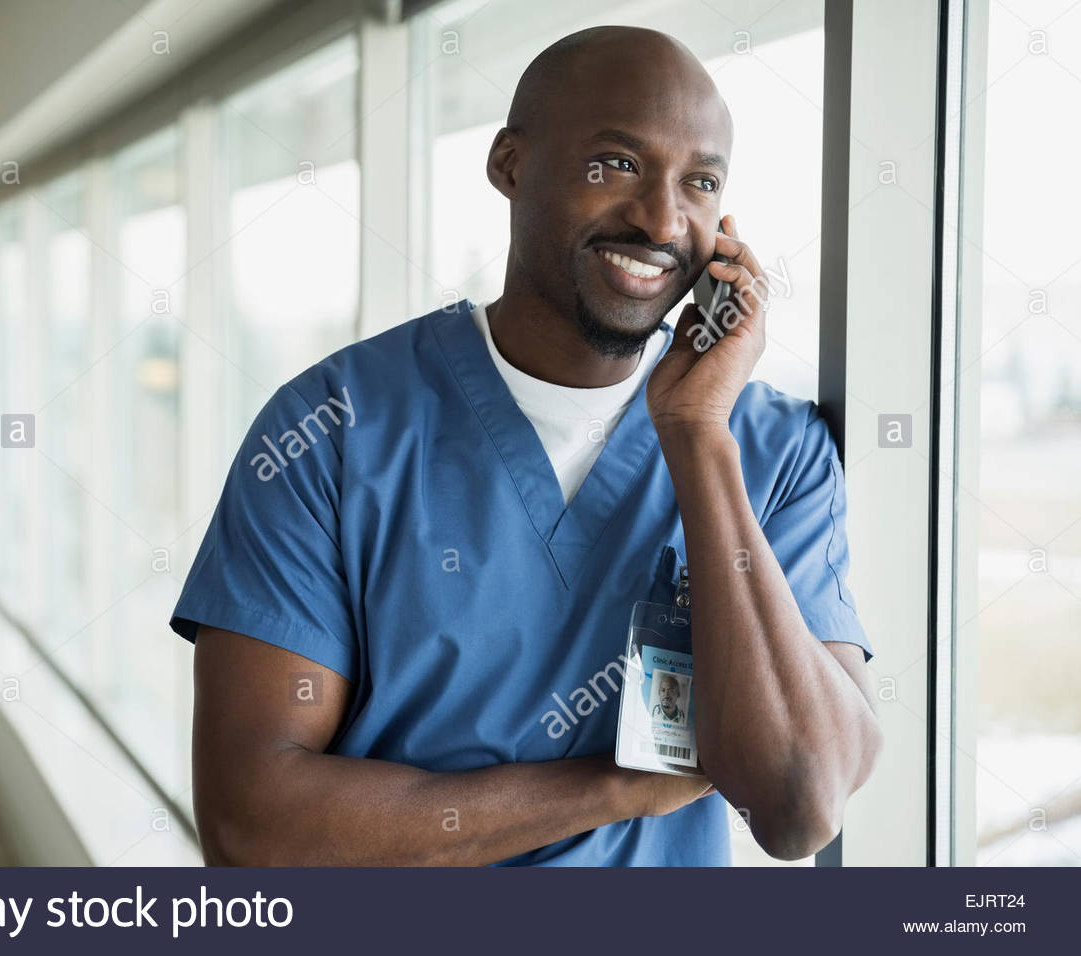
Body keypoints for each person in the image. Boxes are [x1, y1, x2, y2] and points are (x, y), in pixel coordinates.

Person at [170, 25, 881, 866]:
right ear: (510, 165)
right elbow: (254, 829)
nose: (661, 216)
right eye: (616, 163)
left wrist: (697, 439)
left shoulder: (775, 451)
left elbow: (800, 805)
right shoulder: (328, 434)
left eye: (699, 182)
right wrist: (622, 787)